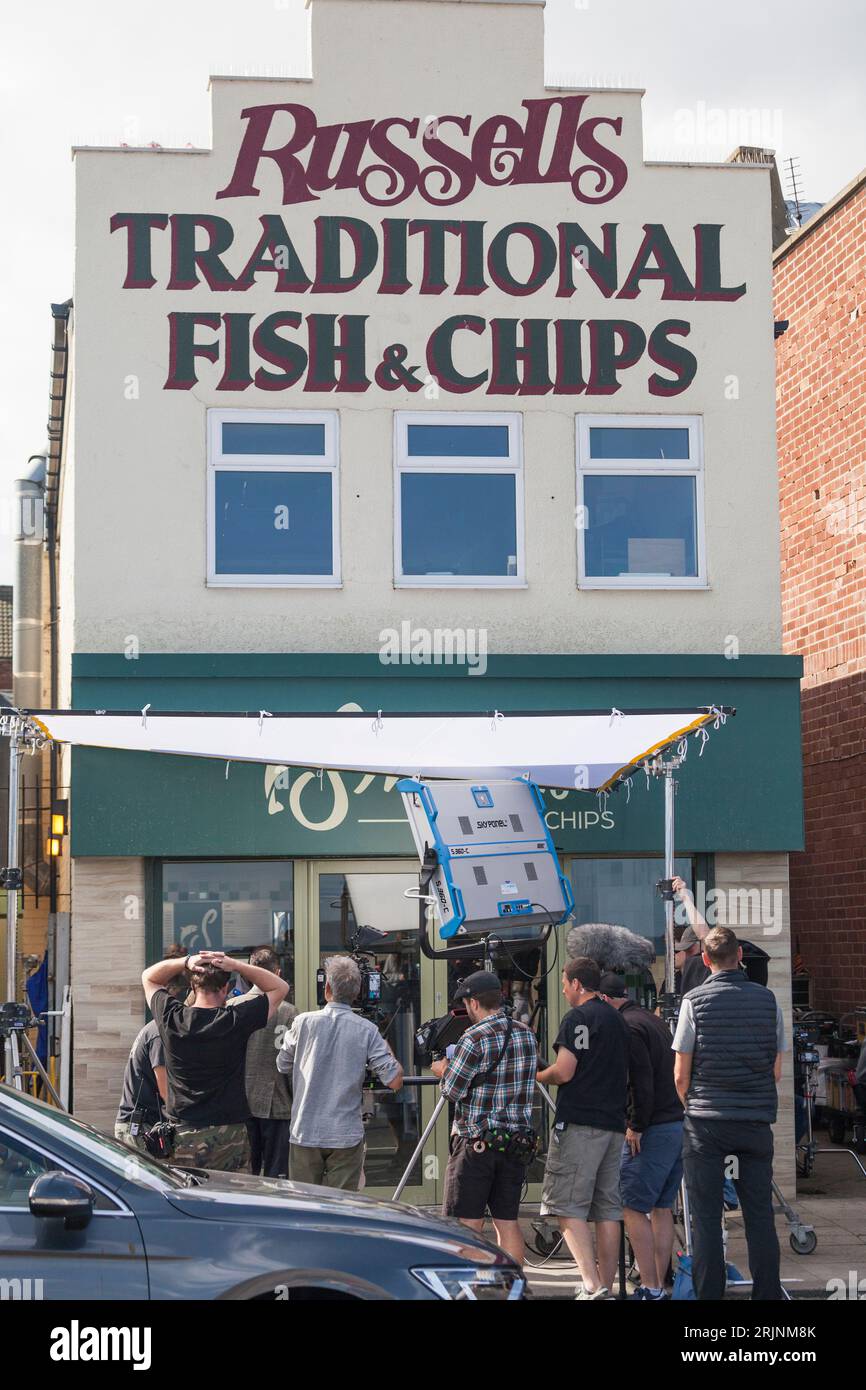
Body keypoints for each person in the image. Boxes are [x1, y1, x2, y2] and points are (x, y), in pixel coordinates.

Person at [672, 925, 785, 1301]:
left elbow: (680, 1075)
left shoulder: (693, 1001)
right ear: (739, 957)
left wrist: (695, 1107)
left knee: (704, 1219)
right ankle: (766, 1295)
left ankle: (709, 1296)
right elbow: (776, 1070)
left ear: (704, 960)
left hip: (706, 1125)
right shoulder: (768, 1001)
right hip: (754, 1122)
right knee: (759, 1218)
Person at [142, 948, 289, 1172]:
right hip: (230, 1134)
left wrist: (187, 961)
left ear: (192, 987)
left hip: (183, 1133)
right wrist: (236, 965)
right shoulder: (235, 1020)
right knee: (232, 1201)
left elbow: (149, 977)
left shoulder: (172, 1018)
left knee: (188, 1202)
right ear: (225, 988)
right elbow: (280, 987)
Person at [537, 957, 630, 1300]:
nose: (562, 989)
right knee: (608, 1210)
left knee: (567, 1206)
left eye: (564, 982)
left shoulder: (578, 1017)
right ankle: (607, 1284)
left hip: (579, 1123)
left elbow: (564, 1071)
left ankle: (592, 1285)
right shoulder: (616, 1019)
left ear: (577, 983)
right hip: (613, 1125)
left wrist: (539, 1075)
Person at [432, 970, 538, 1266]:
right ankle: (513, 1288)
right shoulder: (527, 1034)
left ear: (474, 1003)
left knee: (466, 1225)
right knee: (507, 1222)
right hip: (515, 1144)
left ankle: (471, 1288)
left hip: (476, 1143)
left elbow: (452, 1090)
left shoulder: (473, 1038)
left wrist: (442, 1068)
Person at [277, 955, 403, 1190]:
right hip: (345, 1134)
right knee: (343, 1209)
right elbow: (394, 1080)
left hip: (305, 1129)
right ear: (357, 993)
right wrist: (383, 1042)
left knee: (304, 1207)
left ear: (326, 988)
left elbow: (282, 1064)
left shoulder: (302, 1022)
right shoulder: (367, 1030)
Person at [599, 972, 684, 1301]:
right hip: (676, 1123)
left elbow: (640, 1081)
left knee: (632, 1207)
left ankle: (650, 1286)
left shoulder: (628, 1028)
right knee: (662, 1209)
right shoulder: (652, 1020)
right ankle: (659, 1286)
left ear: (606, 1000)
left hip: (653, 1128)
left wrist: (635, 1124)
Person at [228, 946, 297, 1178]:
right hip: (277, 1102)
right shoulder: (288, 1012)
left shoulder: (232, 1007)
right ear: (276, 972)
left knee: (245, 1175)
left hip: (239, 1102)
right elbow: (292, 1065)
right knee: (277, 1176)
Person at [116, 944, 188, 1151]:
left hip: (141, 1124)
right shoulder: (159, 1033)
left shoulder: (155, 1028)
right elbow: (166, 1091)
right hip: (140, 1128)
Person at [672, 876, 711, 995]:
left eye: (688, 948)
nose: (674, 955)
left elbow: (704, 935)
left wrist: (684, 896)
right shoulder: (675, 979)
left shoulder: (707, 968)